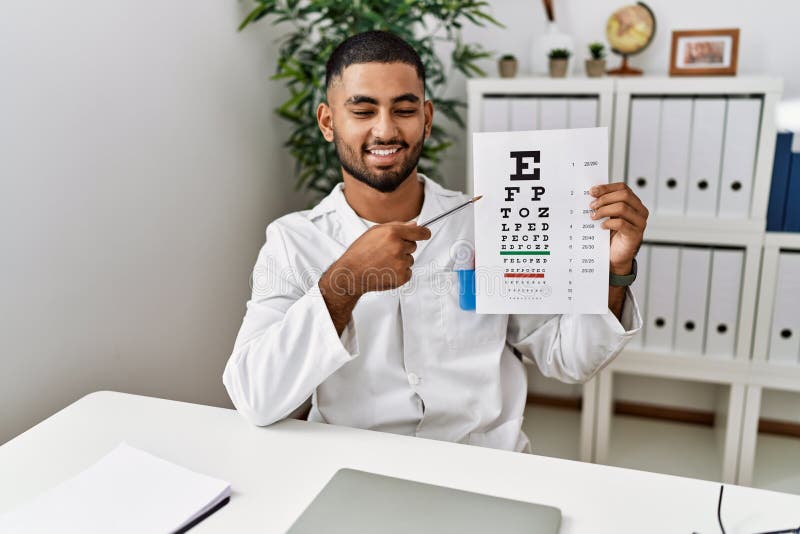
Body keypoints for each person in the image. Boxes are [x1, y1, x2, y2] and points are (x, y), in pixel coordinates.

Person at [223, 30, 647, 452]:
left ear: (426, 119)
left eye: (404, 110)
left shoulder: (486, 222)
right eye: (363, 111)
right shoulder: (293, 241)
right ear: (328, 122)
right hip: (358, 463)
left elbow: (569, 359)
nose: (385, 130)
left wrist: (614, 270)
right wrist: (345, 282)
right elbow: (256, 398)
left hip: (483, 462)